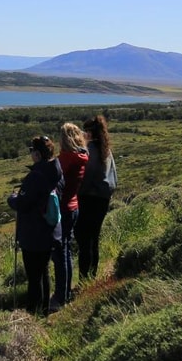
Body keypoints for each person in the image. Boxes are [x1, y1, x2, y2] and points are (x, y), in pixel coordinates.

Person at [7, 135, 63, 315]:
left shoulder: (36, 176)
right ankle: (44, 310)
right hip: (49, 231)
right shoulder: (56, 172)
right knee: (43, 271)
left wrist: (13, 198)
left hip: (34, 233)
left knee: (34, 276)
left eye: (32, 151)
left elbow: (24, 203)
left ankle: (34, 313)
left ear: (38, 154)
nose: (31, 154)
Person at [50, 123, 88, 309]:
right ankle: (65, 293)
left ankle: (59, 297)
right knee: (67, 252)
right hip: (74, 207)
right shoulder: (82, 156)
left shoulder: (65, 159)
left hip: (63, 209)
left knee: (60, 254)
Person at [76, 114, 117, 280]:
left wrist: (76, 194)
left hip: (88, 199)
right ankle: (91, 277)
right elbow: (113, 178)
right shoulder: (106, 150)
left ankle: (84, 278)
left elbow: (86, 178)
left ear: (89, 133)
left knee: (84, 241)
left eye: (85, 131)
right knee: (94, 239)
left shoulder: (90, 151)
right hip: (102, 199)